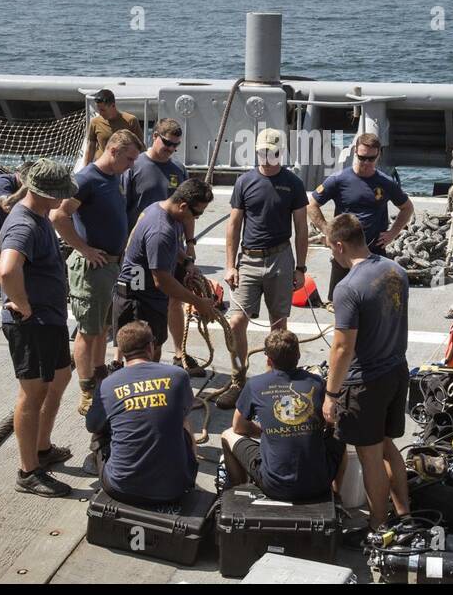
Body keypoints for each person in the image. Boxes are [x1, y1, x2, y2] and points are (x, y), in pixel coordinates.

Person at [323, 213, 411, 531]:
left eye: (331, 249)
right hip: (397, 371)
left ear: (340, 245)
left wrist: (331, 395)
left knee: (369, 456)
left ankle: (379, 528)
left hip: (366, 384)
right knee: (388, 447)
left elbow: (343, 349)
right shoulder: (396, 270)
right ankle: (404, 514)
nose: (333, 255)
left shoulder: (347, 288)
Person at [0, 158, 79, 497]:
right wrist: (22, 302)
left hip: (51, 320)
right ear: (45, 194)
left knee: (61, 376)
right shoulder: (24, 225)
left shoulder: (38, 216)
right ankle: (28, 471)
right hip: (33, 323)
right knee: (32, 394)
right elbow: (6, 268)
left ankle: (42, 447)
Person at [52, 129, 141, 415]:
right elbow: (59, 216)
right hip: (92, 268)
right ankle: (87, 390)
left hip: (110, 266)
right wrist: (83, 249)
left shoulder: (114, 176)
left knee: (103, 327)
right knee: (88, 332)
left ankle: (101, 376)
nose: (131, 165)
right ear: (113, 151)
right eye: (128, 159)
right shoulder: (86, 179)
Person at [222, 128, 309, 410]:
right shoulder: (245, 181)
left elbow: (301, 228)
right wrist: (229, 265)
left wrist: (300, 268)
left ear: (280, 152)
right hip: (248, 260)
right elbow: (234, 225)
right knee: (235, 322)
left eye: (271, 153)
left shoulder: (293, 183)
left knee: (278, 325)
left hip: (280, 258)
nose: (265, 157)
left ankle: (276, 377)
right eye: (261, 152)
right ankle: (238, 378)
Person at [221, 328, 346, 502]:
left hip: (274, 486)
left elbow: (238, 427)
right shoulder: (318, 383)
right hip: (319, 483)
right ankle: (336, 496)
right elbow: (330, 422)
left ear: (269, 360)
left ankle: (237, 494)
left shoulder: (255, 385)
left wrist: (269, 432)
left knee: (227, 435)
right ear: (299, 355)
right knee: (340, 435)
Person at [85, 320, 199, 505]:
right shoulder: (179, 376)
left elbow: (92, 425)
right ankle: (185, 470)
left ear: (122, 351)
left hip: (121, 488)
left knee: (101, 426)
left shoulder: (107, 384)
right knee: (184, 420)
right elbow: (183, 412)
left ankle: (103, 464)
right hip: (176, 488)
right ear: (151, 347)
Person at [123, 118, 203, 377]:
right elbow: (124, 208)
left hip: (170, 246)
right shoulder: (134, 167)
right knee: (134, 305)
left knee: (173, 300)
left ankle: (179, 354)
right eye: (167, 143)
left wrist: (189, 245)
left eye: (175, 146)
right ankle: (121, 359)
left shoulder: (178, 170)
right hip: (137, 255)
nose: (170, 149)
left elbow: (188, 209)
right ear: (154, 136)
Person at [306, 132, 414, 302]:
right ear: (355, 151)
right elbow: (311, 204)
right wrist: (327, 231)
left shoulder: (386, 183)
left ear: (379, 155)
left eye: (371, 159)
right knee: (340, 303)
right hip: (344, 254)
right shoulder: (338, 180)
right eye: (362, 157)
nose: (366, 163)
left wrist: (392, 233)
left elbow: (407, 208)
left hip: (374, 252)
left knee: (377, 302)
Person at [115, 178, 218, 350]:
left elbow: (172, 247)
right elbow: (162, 281)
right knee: (144, 352)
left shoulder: (162, 210)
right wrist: (197, 302)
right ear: (183, 206)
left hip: (149, 296)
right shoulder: (161, 230)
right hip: (139, 299)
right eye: (197, 214)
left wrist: (186, 262)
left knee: (155, 344)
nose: (197, 218)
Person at [83, 89, 144, 164]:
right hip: (102, 167)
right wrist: (85, 169)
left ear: (113, 106)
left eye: (103, 110)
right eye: (98, 110)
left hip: (123, 167)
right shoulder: (95, 122)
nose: (100, 113)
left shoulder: (131, 121)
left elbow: (140, 148)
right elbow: (91, 148)